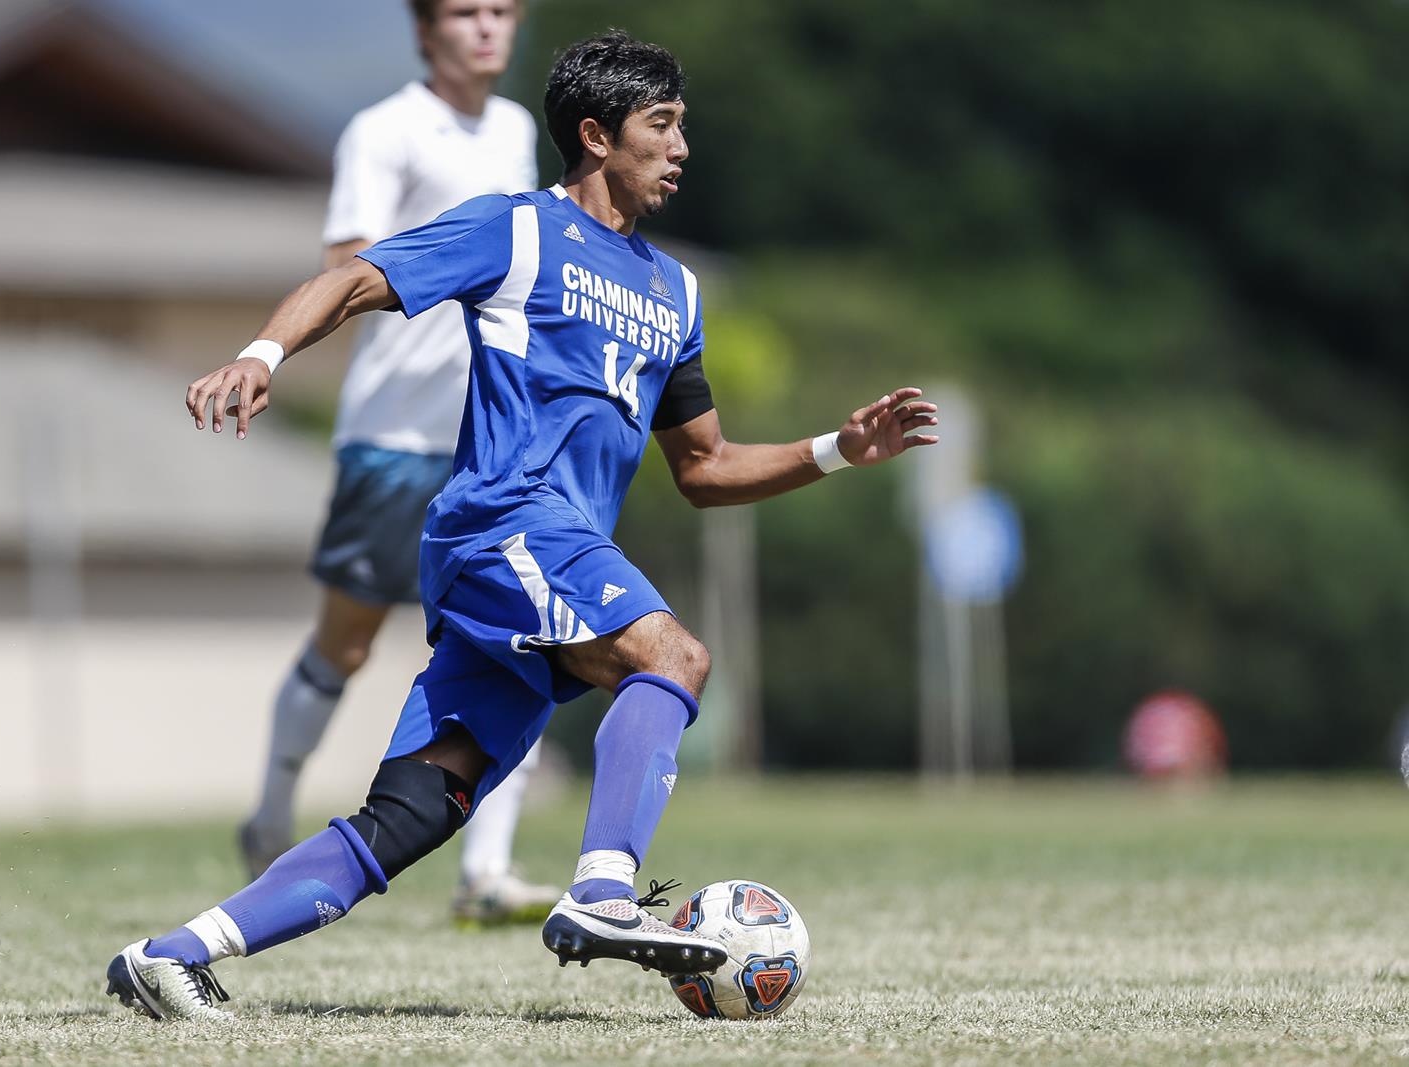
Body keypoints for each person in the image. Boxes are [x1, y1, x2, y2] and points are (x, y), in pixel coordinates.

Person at [106, 31, 940, 1021]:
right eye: (661, 127)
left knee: (414, 811)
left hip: (544, 559)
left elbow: (705, 467)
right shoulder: (517, 231)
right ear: (595, 134)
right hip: (503, 522)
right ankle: (600, 891)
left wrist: (837, 449)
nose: (681, 149)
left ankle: (171, 955)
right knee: (672, 657)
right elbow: (357, 279)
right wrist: (262, 353)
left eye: (682, 128)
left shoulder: (676, 294)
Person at [238, 0, 559, 926]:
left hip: (492, 439)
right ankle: (267, 817)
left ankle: (487, 871)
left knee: (527, 638)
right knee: (347, 637)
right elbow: (347, 262)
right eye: (466, 12)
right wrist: (454, 260)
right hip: (393, 434)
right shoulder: (382, 130)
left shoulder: (513, 130)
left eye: (503, 10)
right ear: (425, 32)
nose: (488, 28)